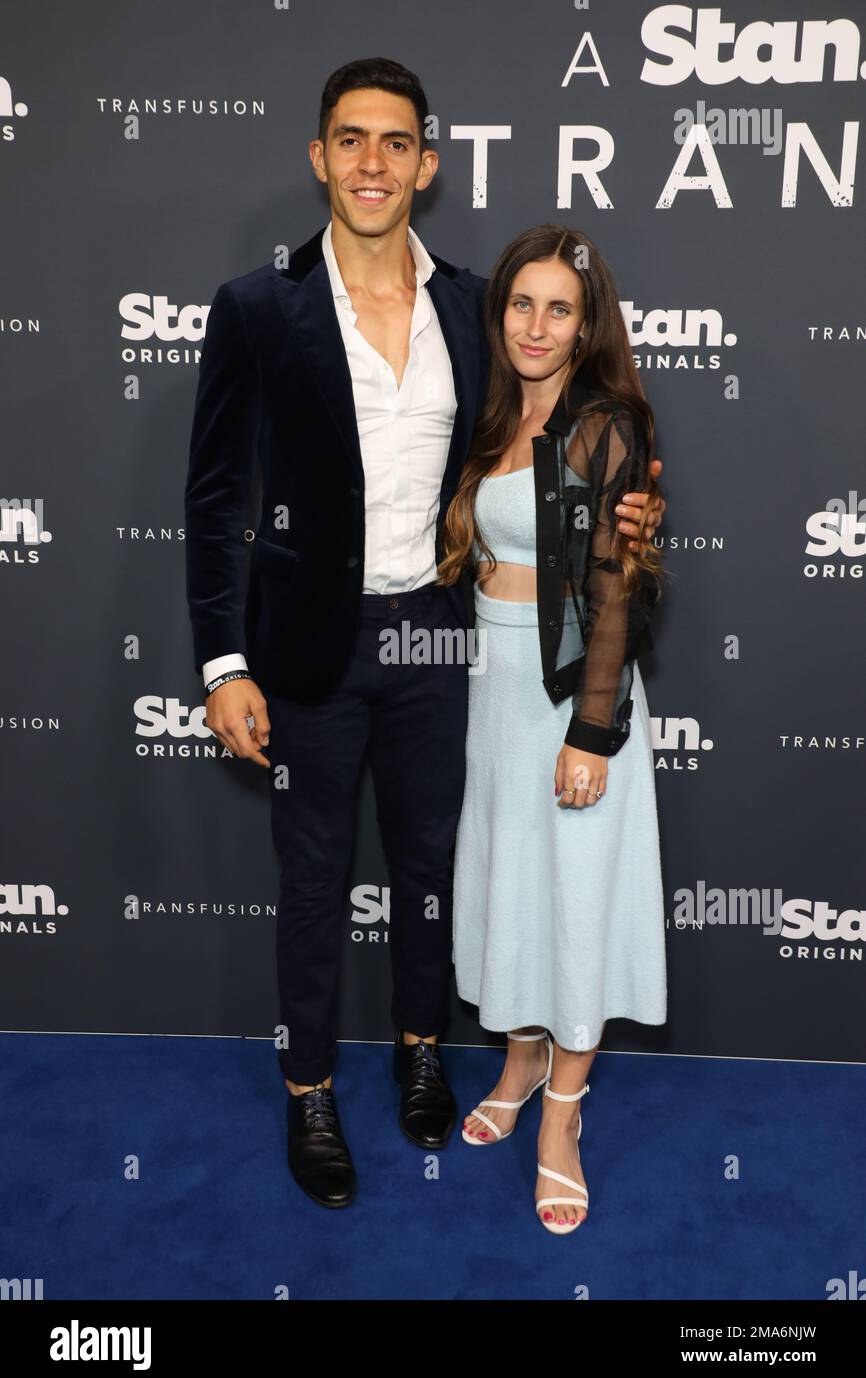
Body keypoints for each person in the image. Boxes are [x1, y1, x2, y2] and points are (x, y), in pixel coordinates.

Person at [184, 58, 667, 1210]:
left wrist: (624, 511)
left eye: (394, 142)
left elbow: (554, 441)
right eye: (348, 139)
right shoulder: (255, 306)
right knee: (310, 877)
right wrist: (221, 660)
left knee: (429, 862)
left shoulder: (470, 305)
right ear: (317, 157)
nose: (369, 162)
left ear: (426, 165)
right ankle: (308, 1090)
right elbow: (214, 502)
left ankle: (416, 1049)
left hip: (444, 638)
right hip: (304, 643)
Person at [439, 224, 667, 1235]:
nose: (534, 326)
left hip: (572, 695)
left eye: (557, 308)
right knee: (514, 886)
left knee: (574, 897)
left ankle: (562, 1117)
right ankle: (521, 1057)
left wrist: (593, 730)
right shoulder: (487, 417)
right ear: (500, 315)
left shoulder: (600, 422)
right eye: (519, 304)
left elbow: (615, 584)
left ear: (586, 324)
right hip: (492, 694)